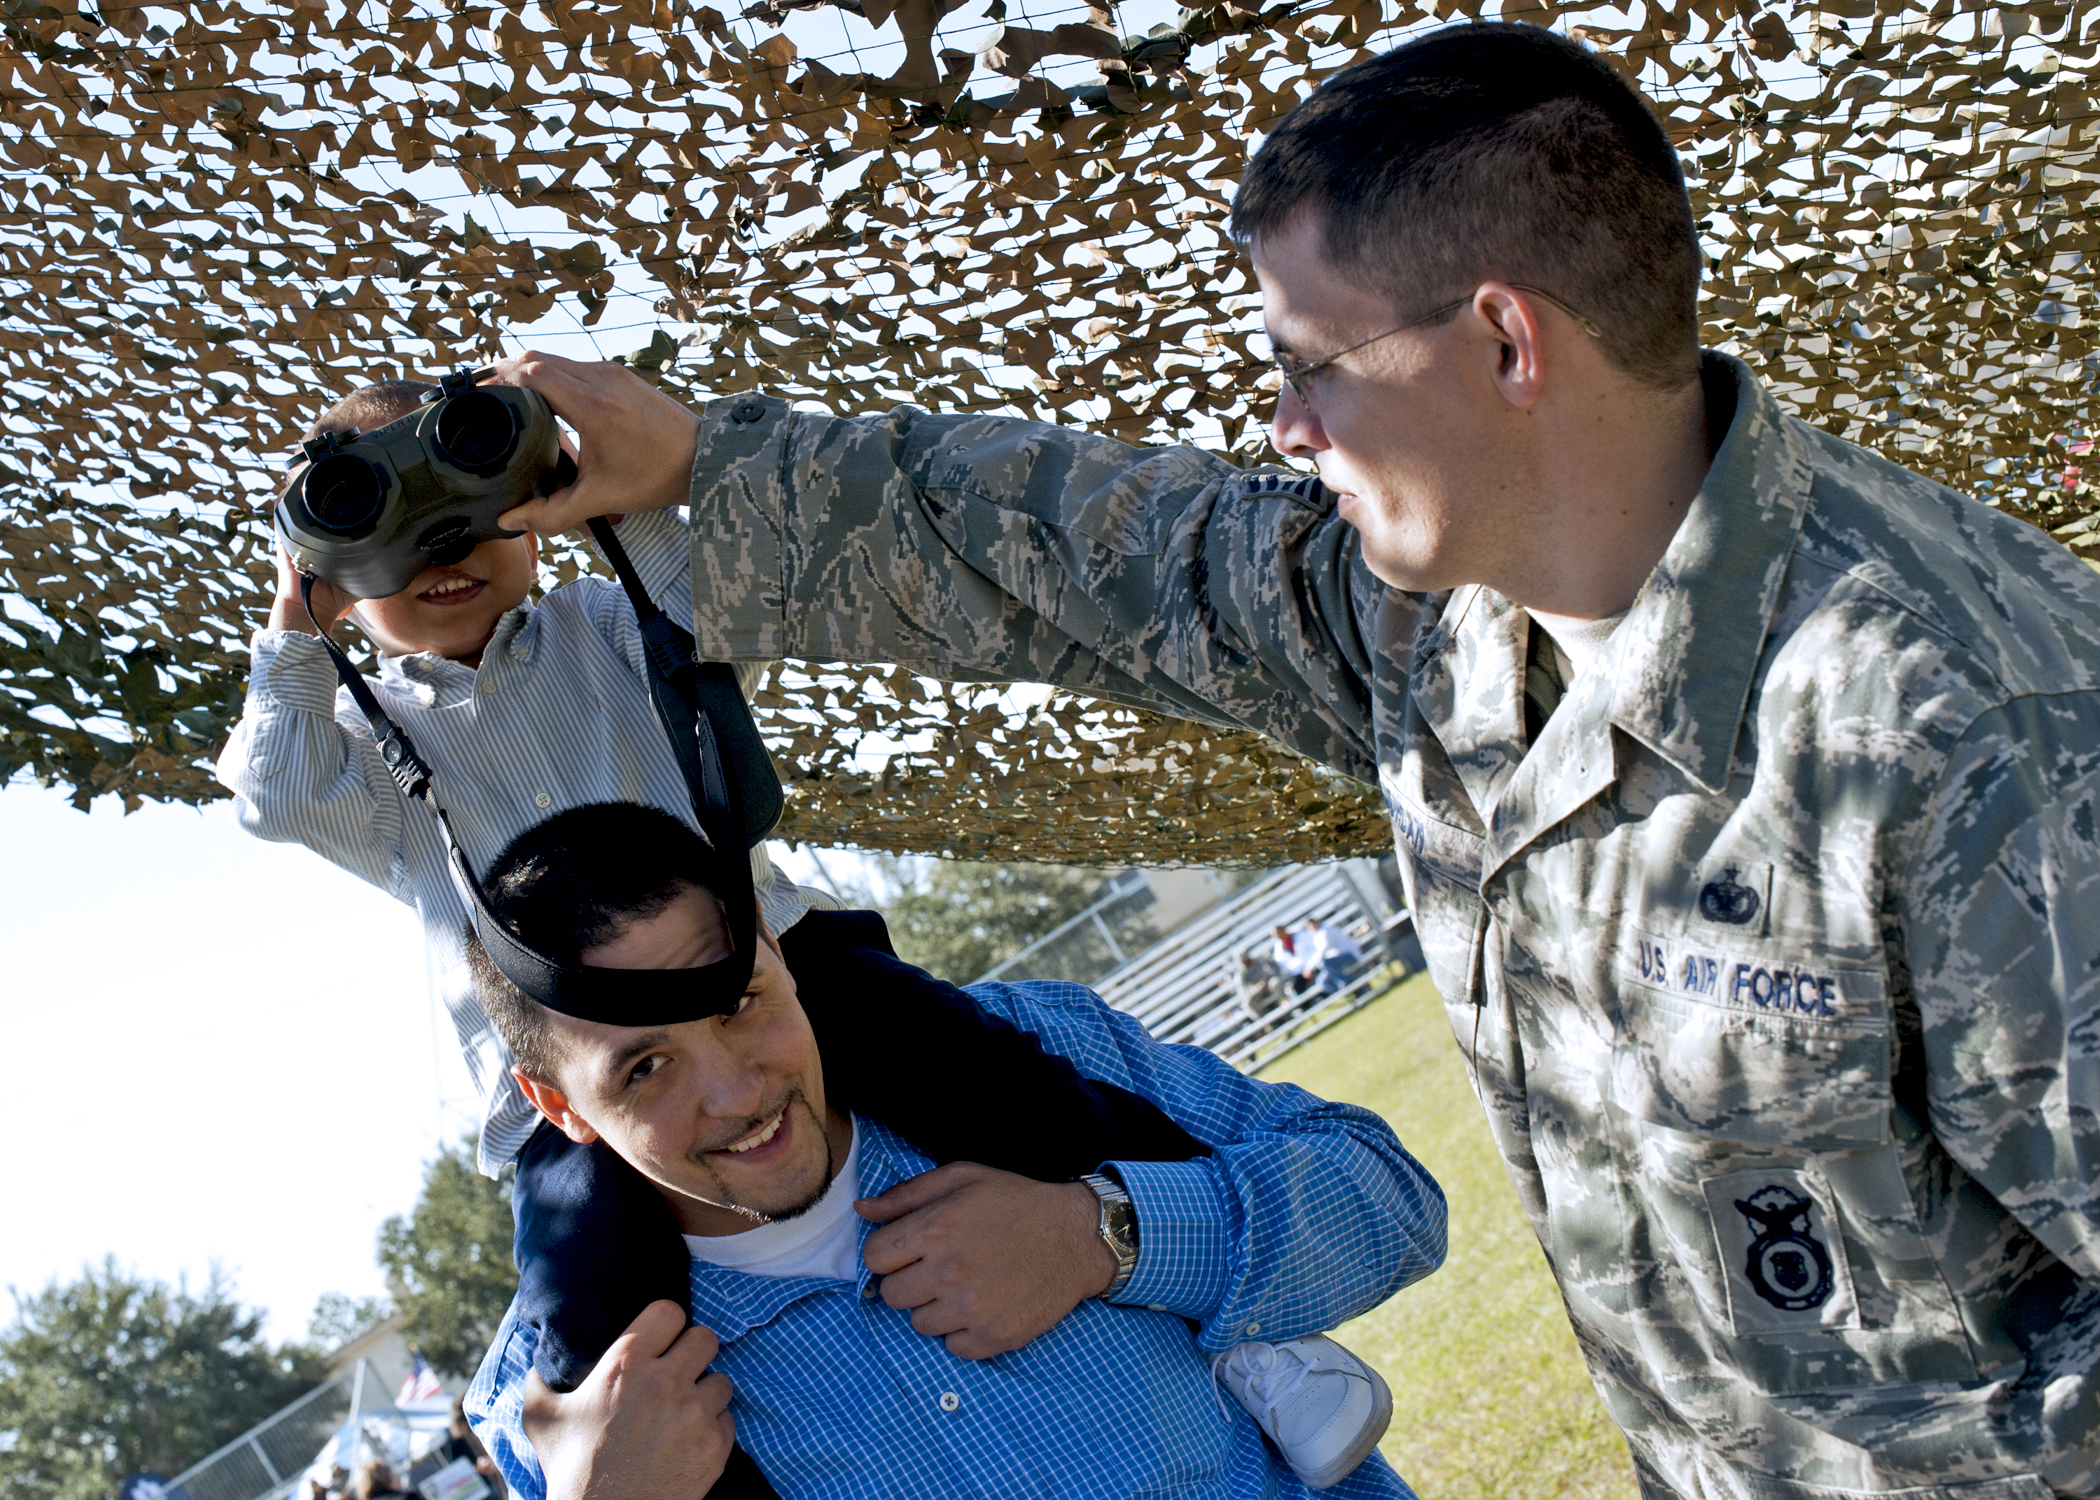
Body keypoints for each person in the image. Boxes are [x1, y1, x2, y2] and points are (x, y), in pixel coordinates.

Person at [490, 22, 2100, 1498]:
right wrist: (707, 462)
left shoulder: (1963, 741)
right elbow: (1080, 549)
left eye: (1309, 366)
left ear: (1505, 344)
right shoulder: (1442, 629)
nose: (1282, 425)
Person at [217, 383, 1391, 1493]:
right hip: (572, 1089)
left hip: (781, 964)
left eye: (471, 508)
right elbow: (270, 792)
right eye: (394, 535)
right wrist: (296, 617)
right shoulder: (370, 759)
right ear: (337, 576)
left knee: (1022, 1098)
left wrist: (595, 480)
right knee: (598, 1338)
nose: (446, 552)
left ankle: (1244, 1341)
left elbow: (714, 581)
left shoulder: (605, 626)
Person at [461, 803, 1445, 1498]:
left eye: (738, 1004)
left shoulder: (1034, 1056)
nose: (735, 1093)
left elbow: (1397, 1203)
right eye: (646, 1070)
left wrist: (1108, 1234)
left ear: (772, 940)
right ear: (559, 1108)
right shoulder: (564, 1409)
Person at [1302, 917, 1363, 996]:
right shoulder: (1316, 936)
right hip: (1335, 962)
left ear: (1317, 922)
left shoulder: (1326, 931)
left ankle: (1348, 983)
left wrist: (1309, 967)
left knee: (1324, 963)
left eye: (1313, 925)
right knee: (1321, 982)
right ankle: (1348, 993)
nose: (1312, 927)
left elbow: (1321, 952)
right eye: (1309, 926)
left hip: (1349, 956)